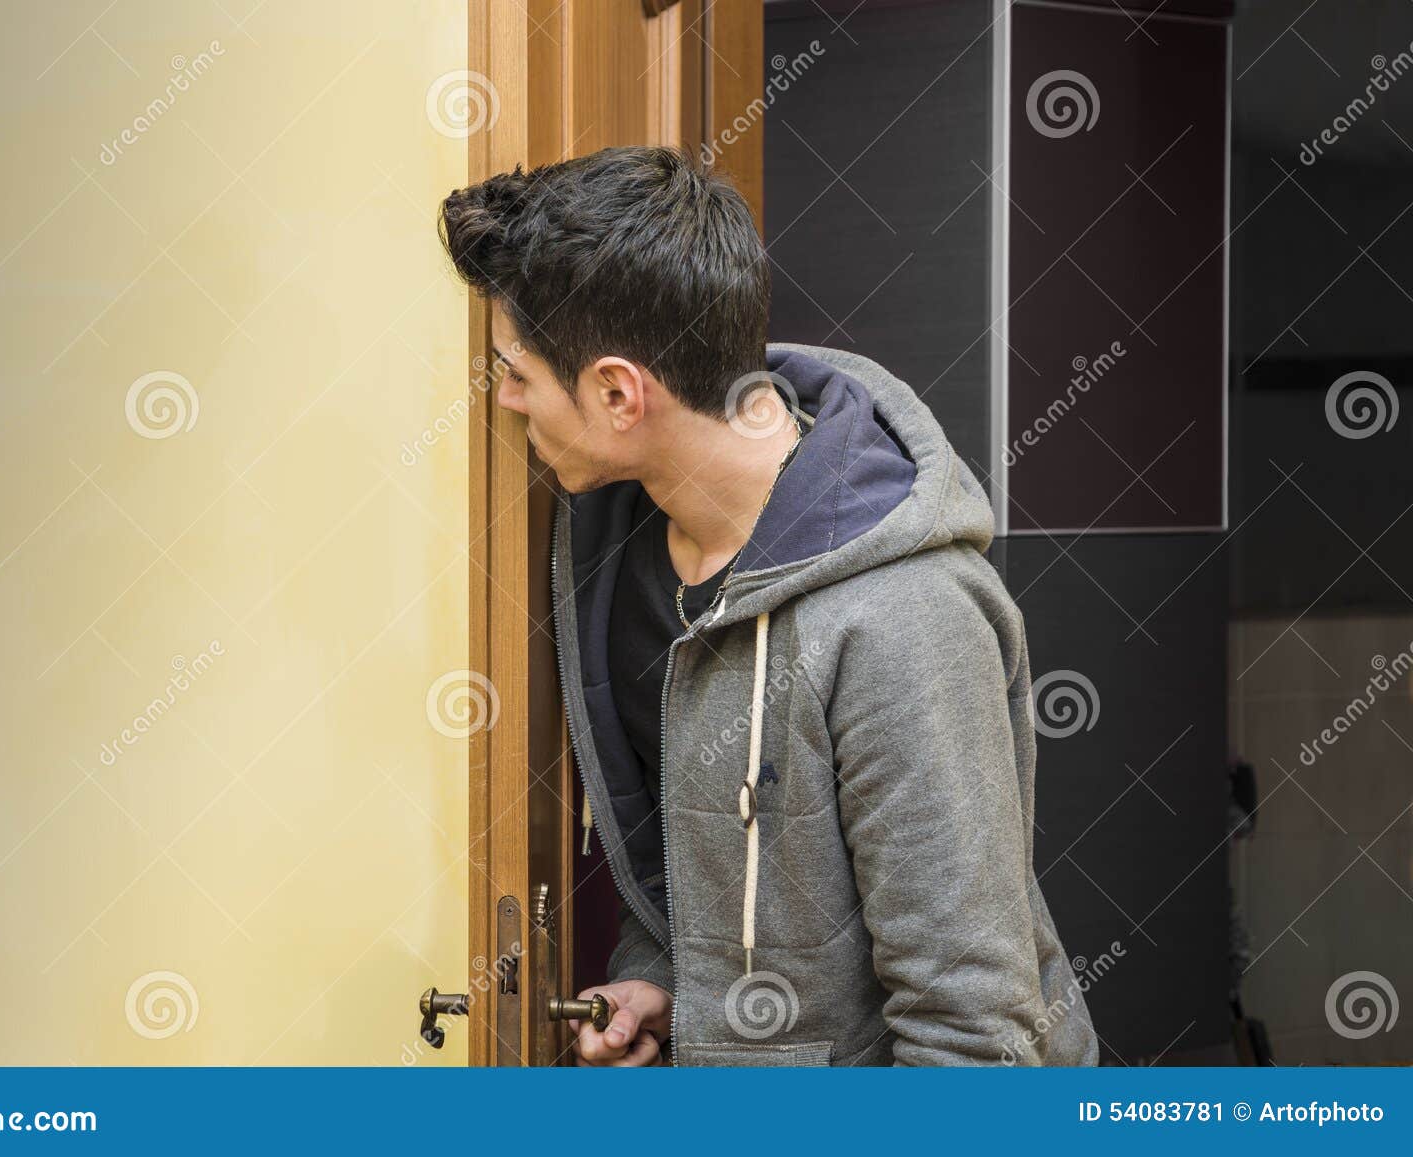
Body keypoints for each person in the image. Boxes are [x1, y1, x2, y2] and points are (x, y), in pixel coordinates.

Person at [437, 145, 1098, 1067]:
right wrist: (671, 989)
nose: (504, 400)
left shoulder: (906, 618)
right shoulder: (618, 549)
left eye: (518, 372)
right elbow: (711, 875)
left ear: (618, 392)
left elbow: (974, 1036)